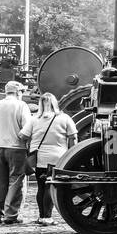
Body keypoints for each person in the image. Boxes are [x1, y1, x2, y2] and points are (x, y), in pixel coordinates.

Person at [18, 92, 78, 226]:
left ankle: (41, 216)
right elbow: (73, 136)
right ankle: (48, 217)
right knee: (50, 187)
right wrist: (71, 153)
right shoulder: (64, 118)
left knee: (41, 187)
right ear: (54, 103)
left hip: (40, 158)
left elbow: (22, 136)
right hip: (58, 157)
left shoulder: (34, 119)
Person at [0, 80, 31, 225]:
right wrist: (26, 143)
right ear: (18, 92)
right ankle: (11, 214)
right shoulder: (21, 105)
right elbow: (27, 128)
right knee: (16, 181)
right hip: (16, 149)